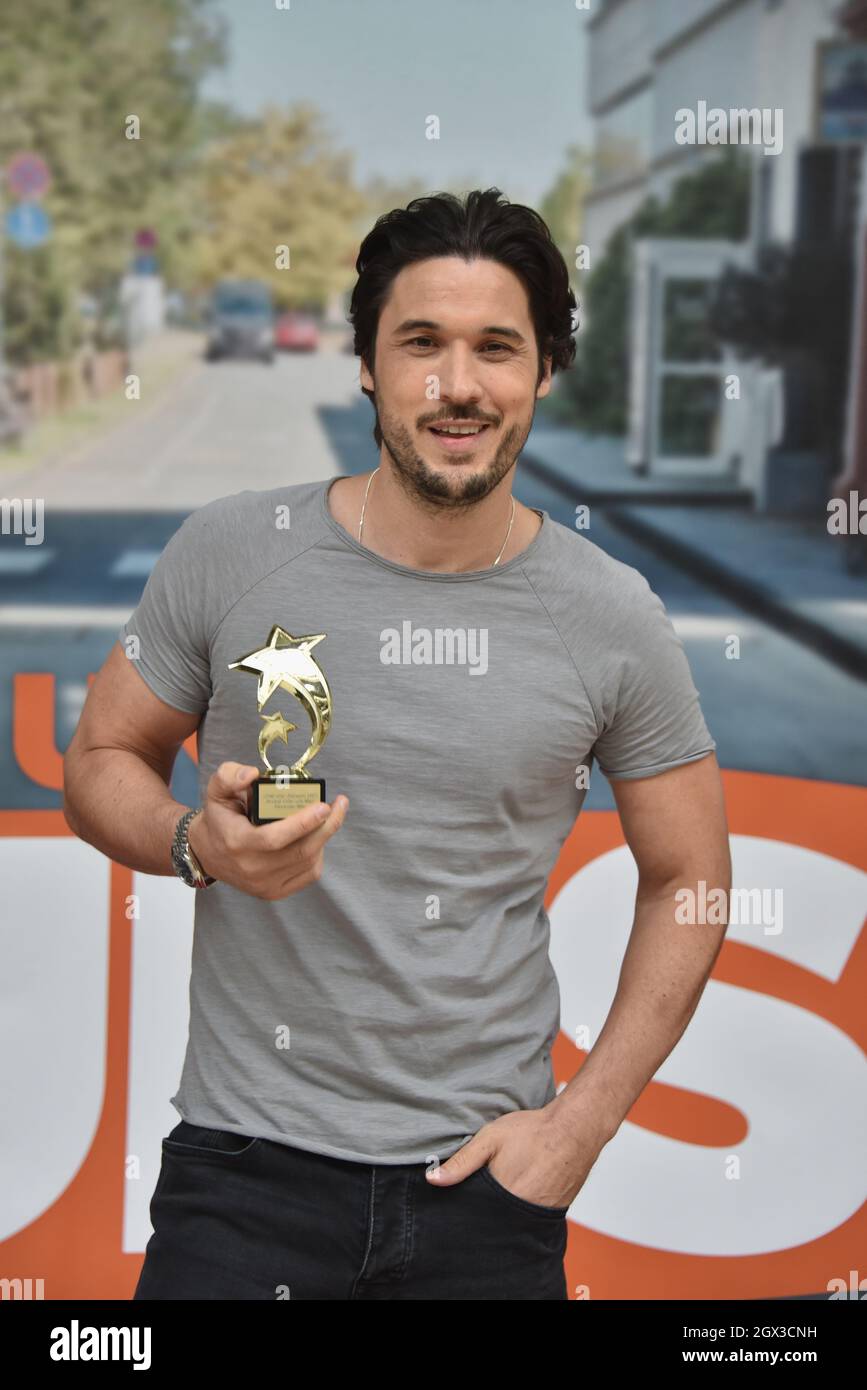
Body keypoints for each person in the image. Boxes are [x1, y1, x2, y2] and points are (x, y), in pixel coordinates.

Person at [63, 188, 731, 1301]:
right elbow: (99, 762)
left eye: (496, 348)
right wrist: (197, 844)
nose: (457, 384)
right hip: (243, 1175)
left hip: (487, 1194)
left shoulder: (612, 615)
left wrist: (580, 1126)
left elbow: (693, 876)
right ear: (367, 364)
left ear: (544, 371)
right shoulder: (232, 551)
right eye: (420, 342)